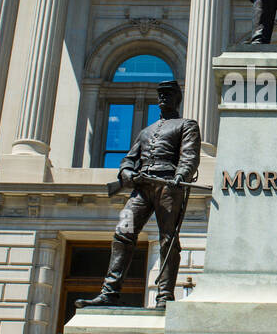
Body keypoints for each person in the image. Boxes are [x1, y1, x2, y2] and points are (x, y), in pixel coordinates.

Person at [77, 80, 200, 310]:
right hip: (141, 189)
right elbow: (128, 160)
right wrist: (126, 174)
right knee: (123, 232)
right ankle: (109, 293)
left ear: (177, 99)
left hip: (167, 187)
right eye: (160, 95)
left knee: (168, 240)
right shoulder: (146, 131)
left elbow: (190, 156)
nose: (163, 98)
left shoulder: (186, 125)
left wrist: (181, 175)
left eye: (168, 94)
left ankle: (164, 296)